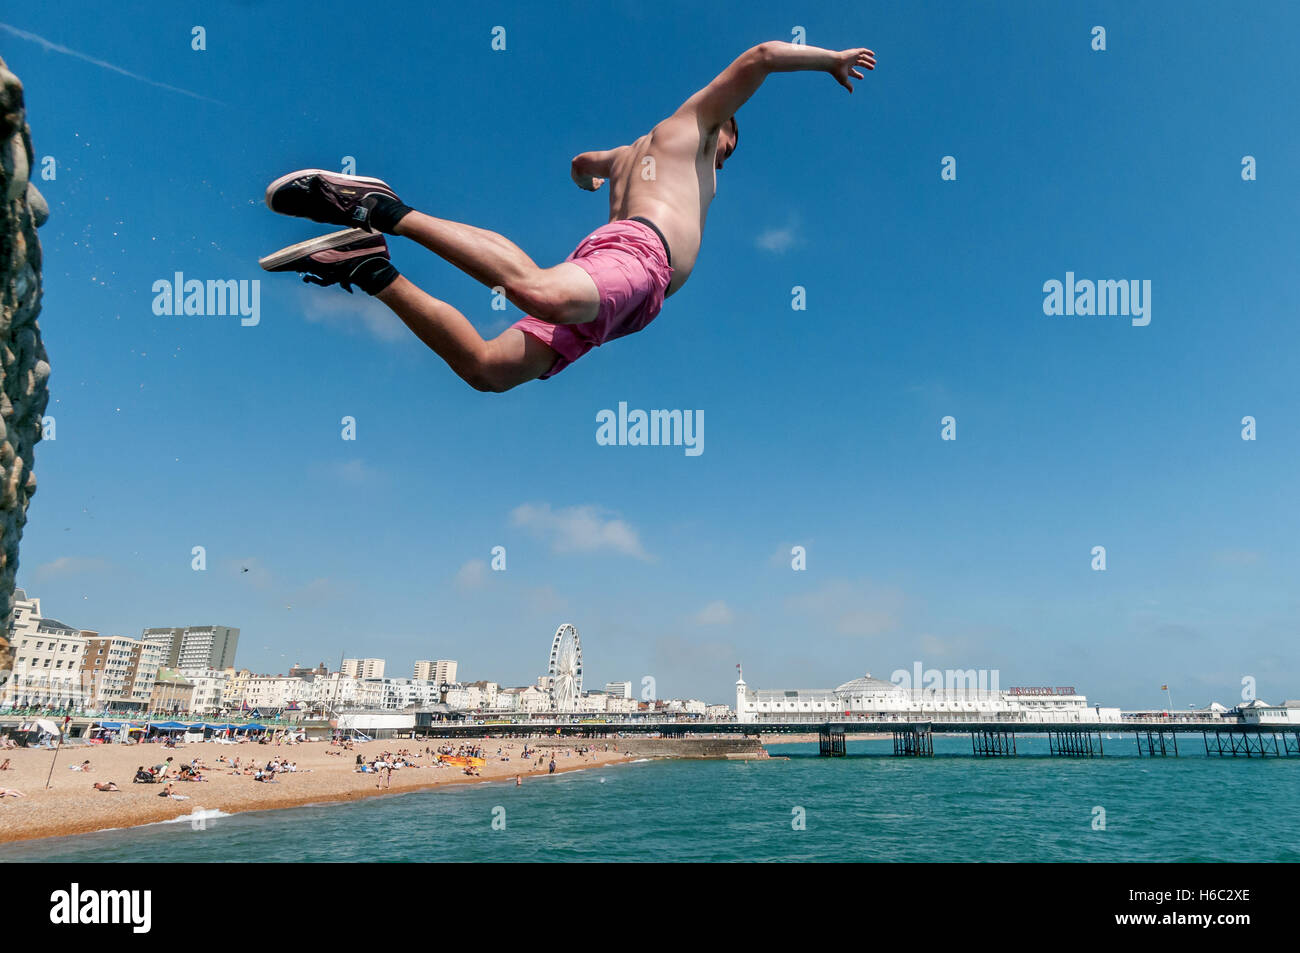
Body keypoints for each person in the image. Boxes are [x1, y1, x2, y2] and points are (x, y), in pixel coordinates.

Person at [259, 41, 875, 390]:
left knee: (487, 370)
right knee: (537, 293)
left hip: (626, 290)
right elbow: (762, 56)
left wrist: (586, 173)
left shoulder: (634, 150)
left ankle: (367, 269)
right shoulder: (696, 126)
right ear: (724, 128)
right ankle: (374, 206)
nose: (725, 161)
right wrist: (829, 61)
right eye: (730, 147)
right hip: (635, 261)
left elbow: (585, 161)